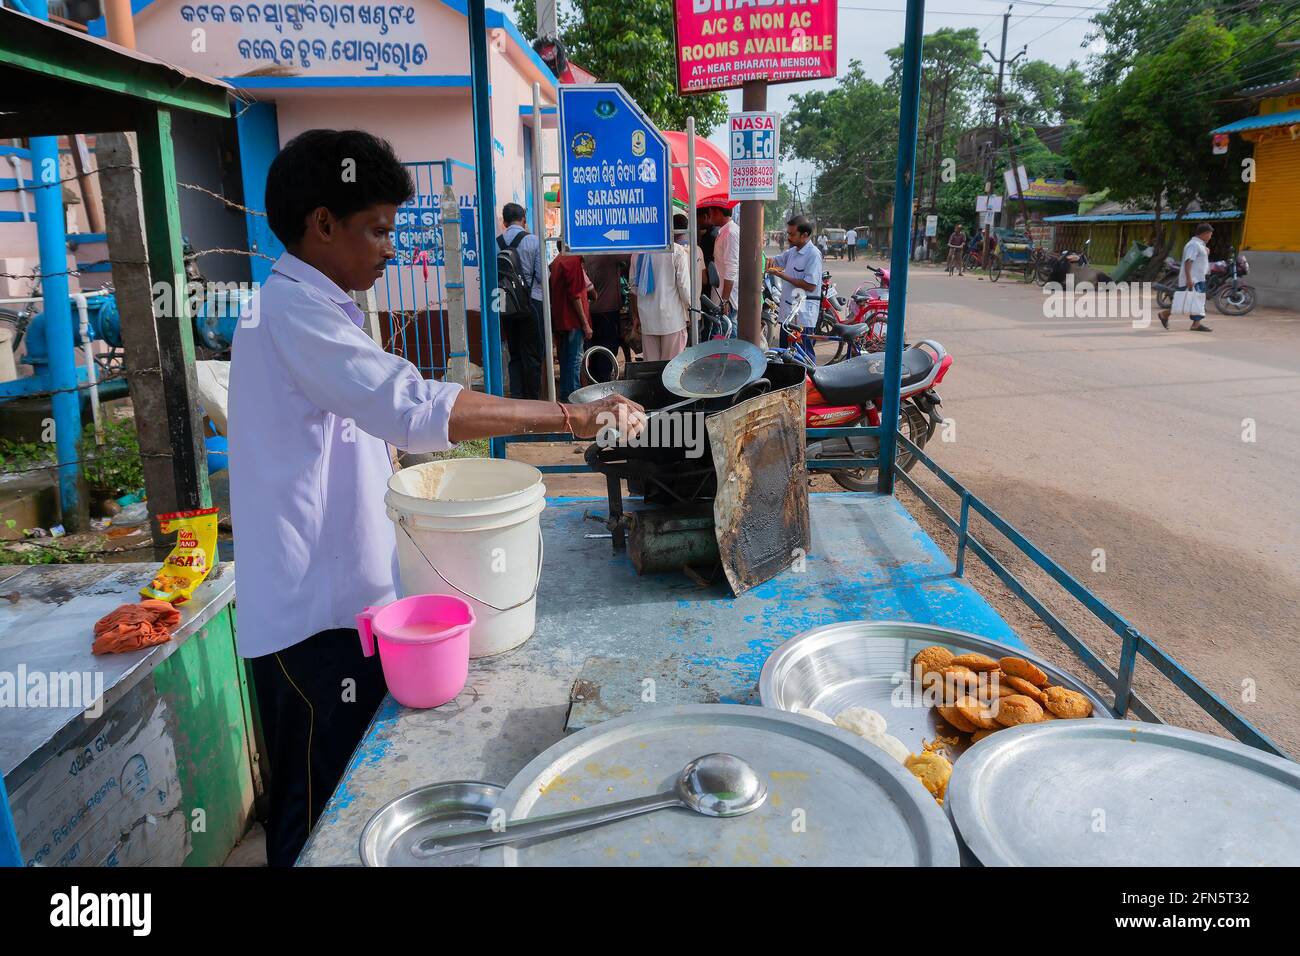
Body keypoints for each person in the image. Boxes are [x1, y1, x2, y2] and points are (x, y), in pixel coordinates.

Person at [228, 129, 645, 867]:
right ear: (321, 224)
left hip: (343, 608)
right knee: (310, 814)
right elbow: (414, 406)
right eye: (378, 230)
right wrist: (572, 416)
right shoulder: (292, 314)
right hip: (305, 623)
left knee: (340, 791)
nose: (390, 249)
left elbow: (388, 421)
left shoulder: (316, 307)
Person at [629, 212, 693, 362]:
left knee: (651, 369)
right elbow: (684, 288)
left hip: (648, 319)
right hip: (673, 319)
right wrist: (689, 310)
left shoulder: (637, 252)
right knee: (671, 370)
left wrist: (636, 315)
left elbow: (633, 288)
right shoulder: (676, 251)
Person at [498, 203, 545, 399]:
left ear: (504, 221)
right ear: (523, 219)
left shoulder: (496, 242)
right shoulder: (533, 241)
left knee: (514, 353)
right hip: (531, 303)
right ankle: (533, 402)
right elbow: (543, 276)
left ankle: (516, 399)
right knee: (532, 355)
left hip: (505, 304)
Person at [766, 214, 823, 363]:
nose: (788, 237)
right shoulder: (793, 252)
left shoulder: (813, 254)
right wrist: (769, 260)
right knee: (786, 356)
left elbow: (810, 285)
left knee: (804, 357)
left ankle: (810, 384)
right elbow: (776, 260)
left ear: (804, 235)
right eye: (788, 233)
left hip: (803, 316)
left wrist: (781, 275)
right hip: (788, 315)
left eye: (792, 234)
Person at [549, 240, 593, 399]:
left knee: (567, 362)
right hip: (573, 320)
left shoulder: (557, 260)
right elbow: (575, 295)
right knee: (574, 361)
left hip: (562, 320)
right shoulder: (572, 260)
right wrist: (585, 324)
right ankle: (574, 399)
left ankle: (567, 396)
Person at [1158, 222, 1214, 332]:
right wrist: (1189, 279)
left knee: (1198, 301)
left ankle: (1196, 324)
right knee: (1183, 301)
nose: (1211, 236)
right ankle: (1164, 314)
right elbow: (1189, 261)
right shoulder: (1193, 245)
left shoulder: (1200, 245)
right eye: (1210, 234)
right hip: (1192, 279)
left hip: (1199, 278)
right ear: (1205, 233)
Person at [583, 253, 627, 381]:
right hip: (608, 311)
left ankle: (595, 382)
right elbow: (631, 259)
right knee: (607, 352)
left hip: (593, 311)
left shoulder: (587, 256)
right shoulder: (610, 255)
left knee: (595, 352)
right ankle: (603, 385)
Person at [703, 201, 739, 322]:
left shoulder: (730, 233)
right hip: (720, 296)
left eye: (711, 213)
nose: (710, 216)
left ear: (717, 212)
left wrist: (725, 300)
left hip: (727, 300)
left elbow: (731, 268)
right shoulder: (724, 232)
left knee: (728, 337)